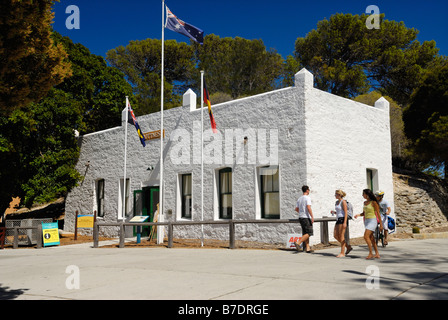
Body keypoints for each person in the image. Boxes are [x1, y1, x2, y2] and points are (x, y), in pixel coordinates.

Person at [354, 189, 384, 259]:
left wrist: (381, 225)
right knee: (371, 238)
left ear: (367, 195)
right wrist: (358, 215)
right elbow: (364, 213)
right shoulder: (365, 203)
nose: (362, 195)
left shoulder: (374, 202)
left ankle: (370, 253)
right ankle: (377, 253)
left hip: (372, 221)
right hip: (366, 221)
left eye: (363, 194)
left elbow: (378, 214)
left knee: (366, 236)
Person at [330, 190, 353, 257]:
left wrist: (345, 222)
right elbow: (340, 212)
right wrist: (334, 212)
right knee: (335, 235)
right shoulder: (337, 202)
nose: (335, 195)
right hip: (338, 219)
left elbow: (345, 212)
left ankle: (342, 252)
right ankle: (348, 247)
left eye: (336, 194)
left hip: (343, 219)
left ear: (339, 195)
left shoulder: (343, 202)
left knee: (341, 236)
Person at [294, 185, 314, 253]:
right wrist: (312, 216)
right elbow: (308, 207)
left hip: (301, 217)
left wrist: (301, 212)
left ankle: (307, 248)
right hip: (306, 217)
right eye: (309, 190)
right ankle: (298, 242)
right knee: (309, 232)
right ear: (307, 190)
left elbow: (296, 209)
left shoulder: (299, 198)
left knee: (305, 232)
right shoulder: (307, 198)